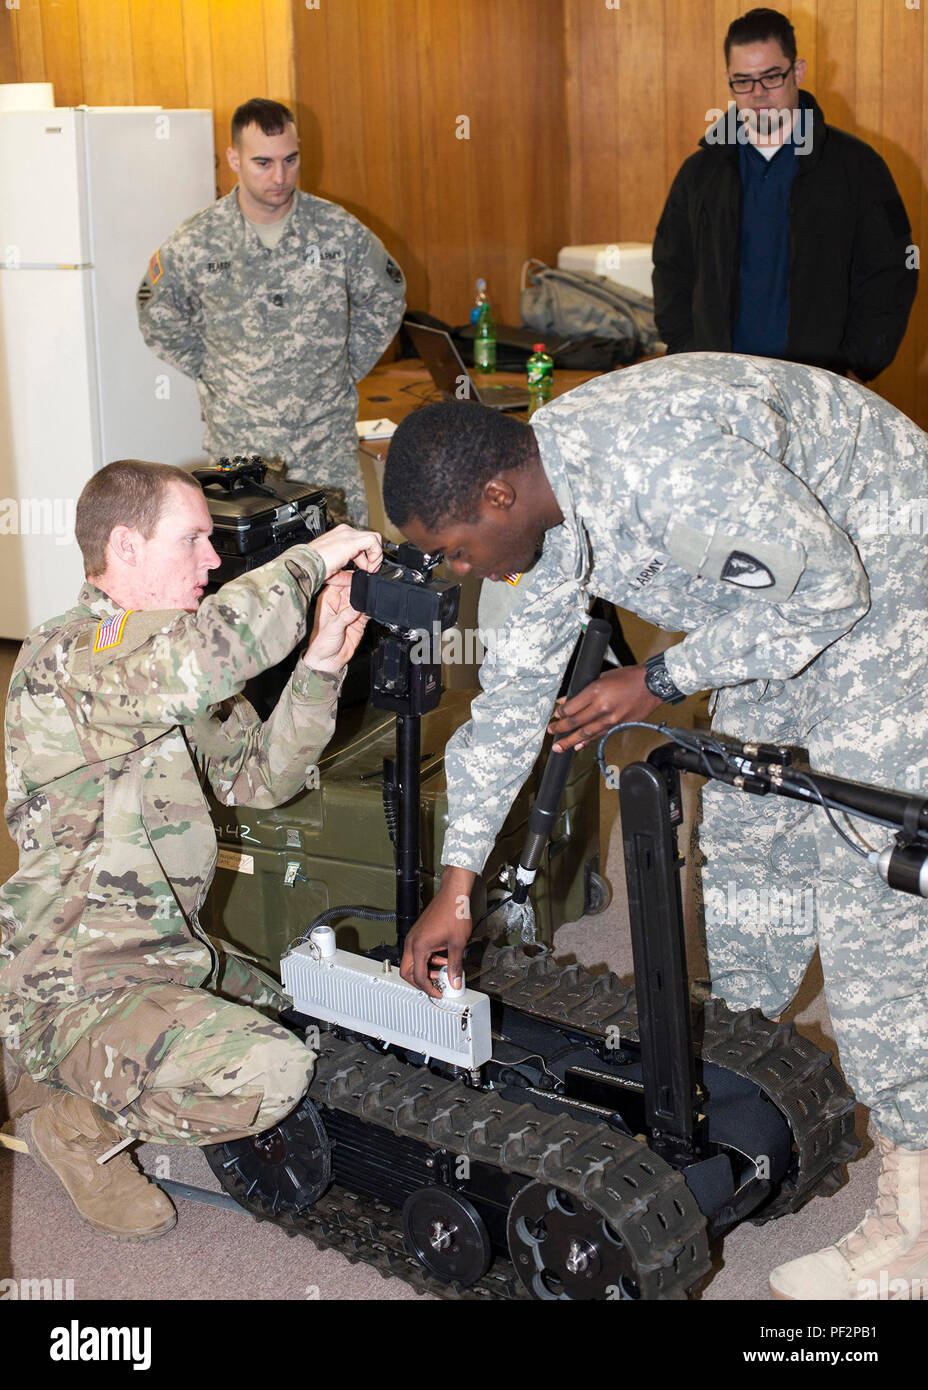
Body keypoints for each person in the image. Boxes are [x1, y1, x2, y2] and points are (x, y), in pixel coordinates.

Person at [381, 354, 928, 1301]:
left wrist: (661, 678)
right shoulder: (543, 516)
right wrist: (458, 880)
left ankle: (915, 1226)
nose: (458, 571)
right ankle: (757, 1103)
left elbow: (833, 591)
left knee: (868, 911)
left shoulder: (656, 461)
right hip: (772, 613)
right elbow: (512, 703)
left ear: (500, 493)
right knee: (751, 858)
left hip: (891, 588)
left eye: (457, 549)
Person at [0, 459, 382, 1240]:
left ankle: (111, 1074)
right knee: (268, 1071)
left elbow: (260, 778)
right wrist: (314, 557)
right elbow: (215, 651)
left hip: (169, 951)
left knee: (308, 1017)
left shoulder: (167, 663)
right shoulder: (73, 656)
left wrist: (320, 664)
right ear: (124, 546)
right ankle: (73, 1127)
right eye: (195, 540)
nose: (213, 560)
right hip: (72, 983)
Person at [137, 97, 406, 526]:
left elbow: (387, 296)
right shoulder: (198, 239)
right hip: (241, 449)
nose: (280, 176)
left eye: (290, 160)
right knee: (249, 576)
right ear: (233, 159)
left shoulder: (337, 229)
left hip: (325, 448)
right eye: (263, 162)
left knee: (345, 574)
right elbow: (156, 311)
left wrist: (346, 365)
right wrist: (215, 373)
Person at [652, 8, 917, 382]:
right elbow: (670, 268)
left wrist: (858, 364)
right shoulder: (701, 173)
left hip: (822, 386)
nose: (758, 94)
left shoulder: (858, 168)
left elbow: (893, 271)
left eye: (771, 77)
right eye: (743, 81)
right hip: (721, 386)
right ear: (728, 80)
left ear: (797, 71)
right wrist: (688, 352)